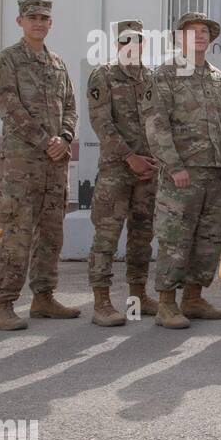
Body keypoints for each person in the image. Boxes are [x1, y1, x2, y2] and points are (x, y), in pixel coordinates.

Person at [0, 0, 79, 330]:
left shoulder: (57, 63)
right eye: (33, 18)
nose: (39, 23)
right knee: (17, 233)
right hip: (21, 165)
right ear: (19, 21)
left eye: (44, 18)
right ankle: (3, 304)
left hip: (55, 165)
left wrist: (66, 138)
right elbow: (10, 109)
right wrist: (46, 141)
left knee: (51, 233)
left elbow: (70, 105)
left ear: (51, 23)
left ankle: (43, 298)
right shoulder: (6, 61)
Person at [144, 12, 221, 328]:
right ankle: (167, 304)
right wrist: (174, 166)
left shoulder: (217, 77)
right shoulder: (166, 75)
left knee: (208, 238)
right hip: (182, 174)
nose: (199, 35)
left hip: (212, 172)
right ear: (178, 37)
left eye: (205, 31)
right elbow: (158, 125)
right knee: (176, 237)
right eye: (191, 30)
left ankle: (194, 298)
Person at [87, 19, 158, 326]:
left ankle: (136, 298)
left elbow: (159, 122)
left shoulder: (151, 78)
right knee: (107, 235)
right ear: (117, 45)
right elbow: (101, 123)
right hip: (117, 170)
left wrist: (154, 162)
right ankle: (101, 302)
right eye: (126, 40)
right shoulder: (103, 75)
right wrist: (131, 158)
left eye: (139, 40)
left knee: (142, 237)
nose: (133, 46)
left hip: (148, 171)